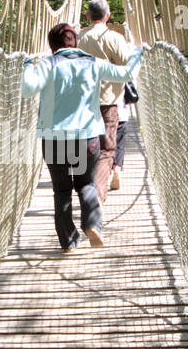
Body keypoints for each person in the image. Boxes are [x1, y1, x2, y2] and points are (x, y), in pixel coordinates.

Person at [21, 21, 143, 253]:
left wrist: (28, 64)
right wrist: (137, 52)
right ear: (75, 43)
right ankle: (93, 224)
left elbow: (28, 88)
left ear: (52, 46)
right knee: (86, 184)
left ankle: (68, 242)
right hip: (87, 137)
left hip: (54, 139)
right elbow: (126, 73)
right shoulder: (93, 63)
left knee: (62, 190)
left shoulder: (48, 64)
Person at [77, 0, 134, 202]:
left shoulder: (77, 38)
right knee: (106, 150)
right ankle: (97, 195)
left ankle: (85, 190)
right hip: (108, 102)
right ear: (107, 16)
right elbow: (129, 67)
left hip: (81, 103)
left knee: (85, 147)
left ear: (88, 16)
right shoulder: (115, 39)